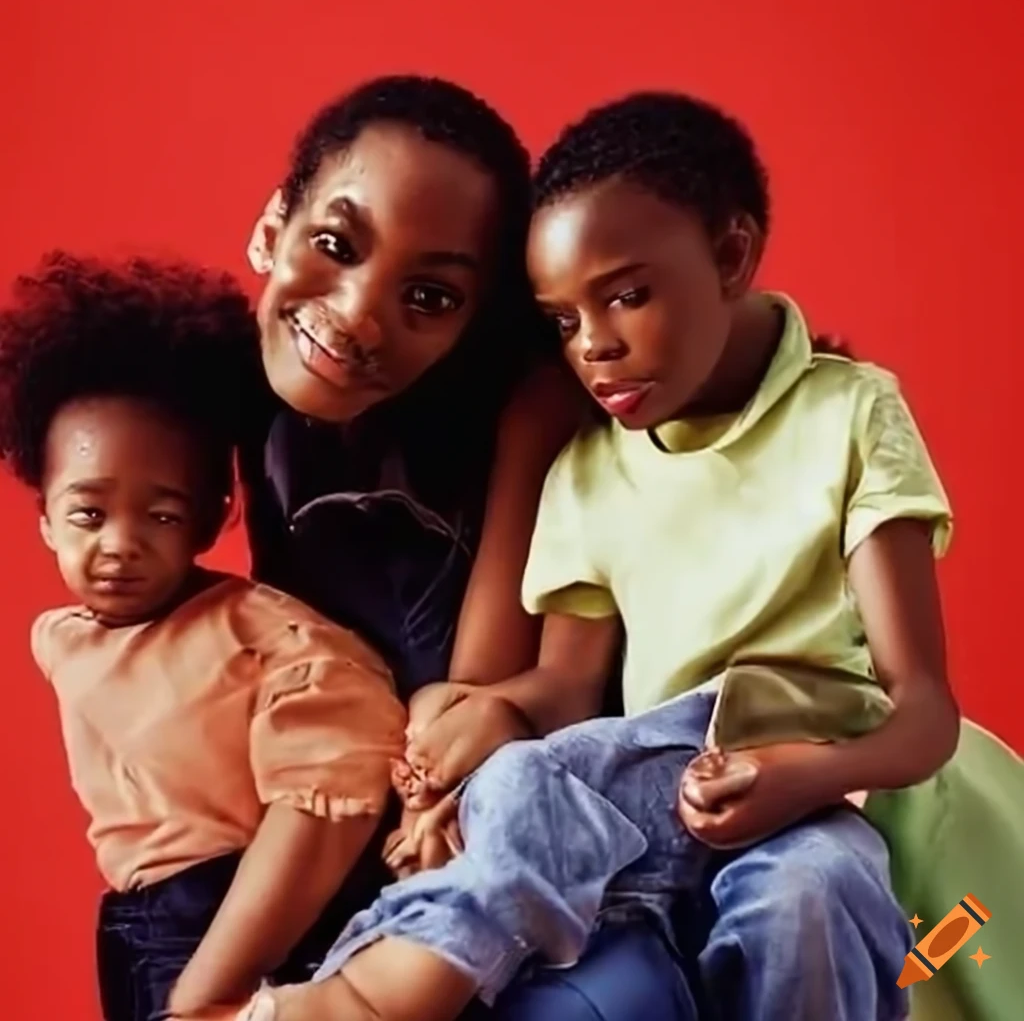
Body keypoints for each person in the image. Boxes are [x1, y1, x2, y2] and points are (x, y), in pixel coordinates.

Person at [213, 91, 960, 1021]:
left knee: (810, 895)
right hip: (653, 808)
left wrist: (799, 775)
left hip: (804, 797)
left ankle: (366, 995)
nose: (597, 347)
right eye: (563, 321)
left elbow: (926, 710)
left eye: (626, 296)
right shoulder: (590, 466)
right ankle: (367, 985)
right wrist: (483, 725)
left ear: (730, 255)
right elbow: (565, 687)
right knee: (527, 776)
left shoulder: (849, 416)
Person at [235, 76, 695, 1019]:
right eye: (334, 244)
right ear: (272, 224)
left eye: (429, 295)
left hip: (521, 850)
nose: (361, 314)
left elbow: (483, 702)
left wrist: (445, 775)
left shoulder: (529, 419)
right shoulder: (222, 396)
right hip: (335, 836)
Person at [0, 253, 407, 1021]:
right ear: (45, 518)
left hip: (241, 918)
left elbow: (333, 799)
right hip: (131, 926)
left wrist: (209, 988)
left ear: (213, 514)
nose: (119, 544)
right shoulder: (61, 638)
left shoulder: (275, 642)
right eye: (89, 514)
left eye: (159, 515)